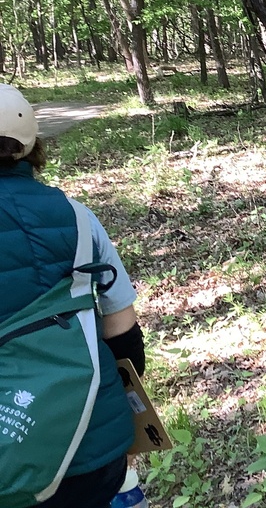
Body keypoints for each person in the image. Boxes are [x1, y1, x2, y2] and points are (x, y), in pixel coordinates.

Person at [0, 84, 146, 508]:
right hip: (93, 448)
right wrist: (127, 419)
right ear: (31, 146)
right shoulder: (79, 218)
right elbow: (122, 327)